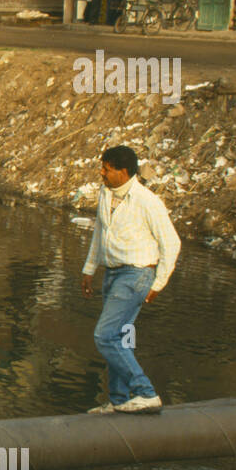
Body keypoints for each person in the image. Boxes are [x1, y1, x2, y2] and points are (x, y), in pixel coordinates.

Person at [81, 145, 181, 415]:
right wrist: (89, 268)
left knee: (104, 335)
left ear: (123, 172)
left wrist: (158, 284)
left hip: (137, 274)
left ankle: (146, 392)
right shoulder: (105, 193)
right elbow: (100, 231)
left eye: (107, 169)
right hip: (113, 272)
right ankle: (118, 400)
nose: (101, 173)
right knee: (119, 338)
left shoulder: (147, 201)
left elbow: (171, 243)